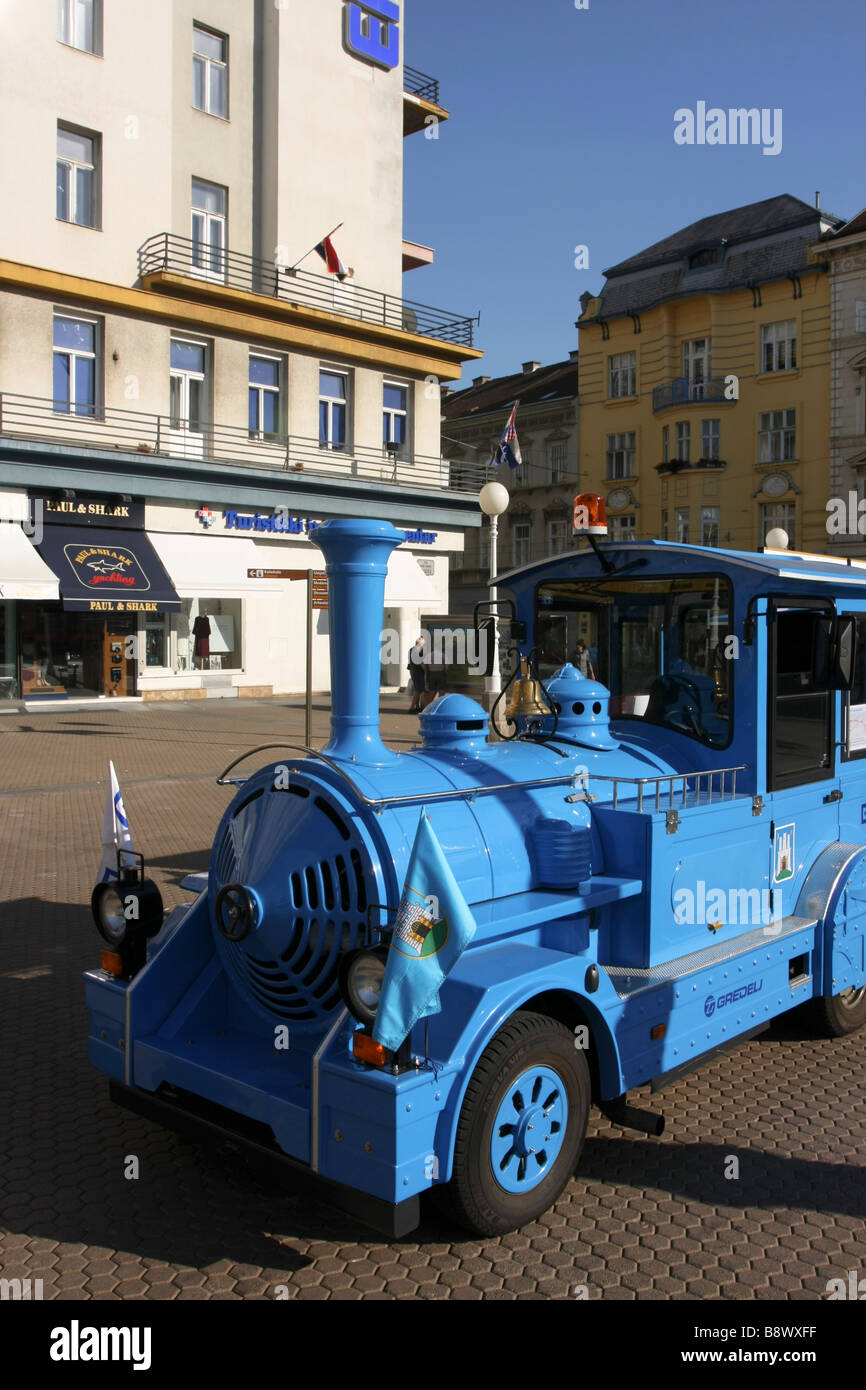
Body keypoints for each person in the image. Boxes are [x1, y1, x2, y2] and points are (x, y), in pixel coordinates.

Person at [407, 634, 427, 712]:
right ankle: (412, 707)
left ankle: (417, 706)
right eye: (423, 644)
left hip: (413, 672)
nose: (424, 645)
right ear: (420, 644)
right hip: (419, 673)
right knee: (418, 690)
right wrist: (426, 671)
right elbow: (421, 663)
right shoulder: (419, 650)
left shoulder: (411, 649)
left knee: (417, 689)